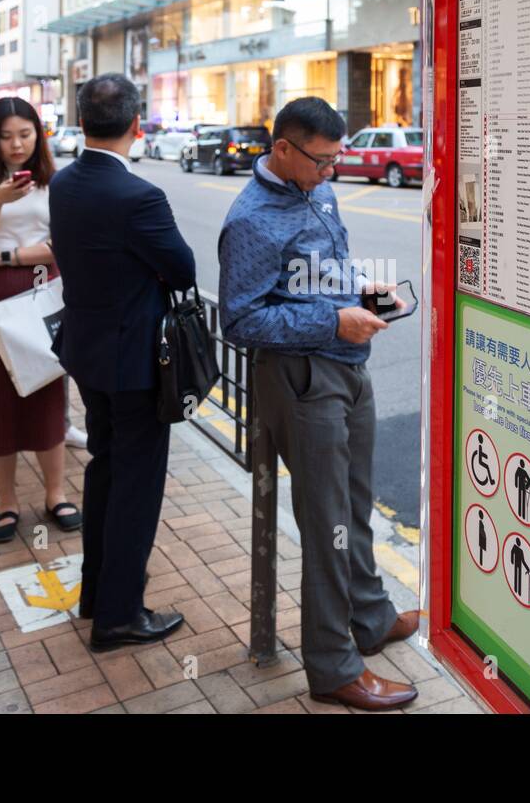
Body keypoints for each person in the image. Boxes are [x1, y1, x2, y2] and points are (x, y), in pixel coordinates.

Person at [218, 96, 418, 711]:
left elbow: (332, 266)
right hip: (303, 381)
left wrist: (364, 290)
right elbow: (241, 320)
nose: (333, 170)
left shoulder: (320, 192)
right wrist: (335, 323)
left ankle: (370, 617)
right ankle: (333, 668)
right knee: (327, 523)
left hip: (348, 365)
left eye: (338, 158)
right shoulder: (249, 220)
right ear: (283, 149)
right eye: (323, 160)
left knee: (355, 505)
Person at [49, 74, 195, 650]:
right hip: (136, 362)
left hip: (86, 352)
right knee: (136, 485)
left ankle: (96, 594)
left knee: (106, 470)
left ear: (82, 122)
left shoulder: (64, 183)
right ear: (139, 125)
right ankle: (119, 615)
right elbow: (182, 270)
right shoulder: (139, 196)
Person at [0, 96, 81, 543]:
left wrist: (7, 255)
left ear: (37, 134)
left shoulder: (56, 182)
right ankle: (6, 503)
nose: (16, 144)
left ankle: (55, 493)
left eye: (25, 134)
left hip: (46, 292)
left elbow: (64, 243)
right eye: (6, 136)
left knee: (48, 394)